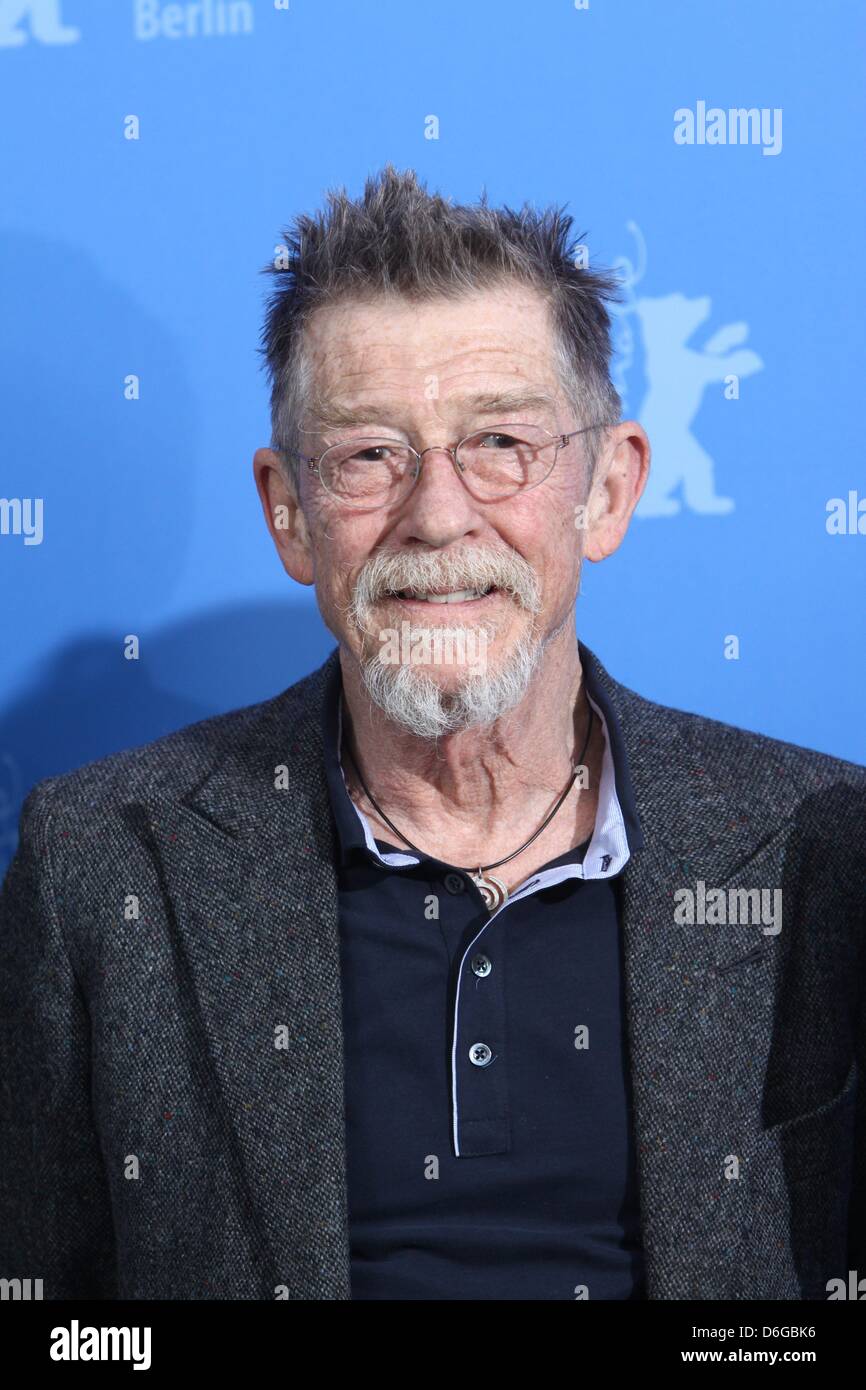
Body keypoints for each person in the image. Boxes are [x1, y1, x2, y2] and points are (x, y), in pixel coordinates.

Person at [1, 166, 864, 1301]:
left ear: (606, 491)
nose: (438, 513)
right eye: (369, 454)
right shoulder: (101, 859)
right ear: (287, 512)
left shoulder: (824, 854)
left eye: (499, 441)